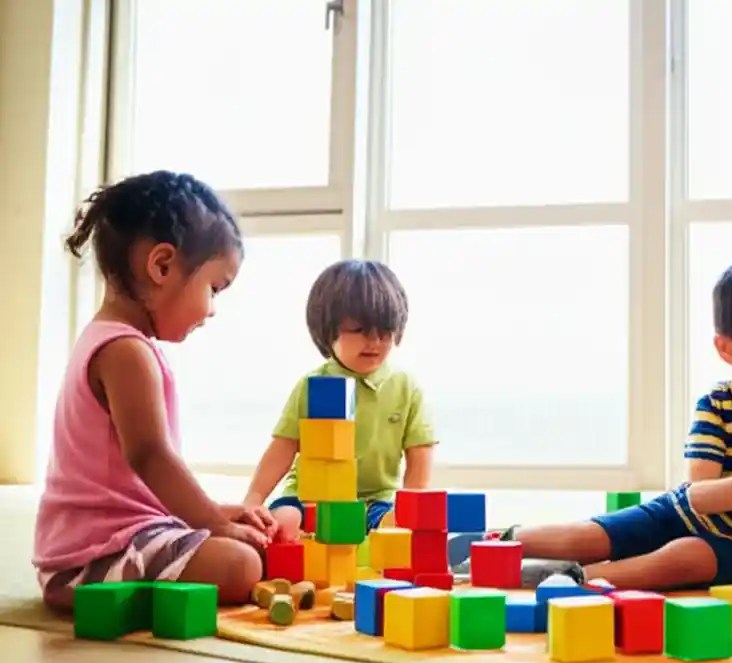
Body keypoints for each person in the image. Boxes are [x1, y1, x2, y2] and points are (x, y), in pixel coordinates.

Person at [453, 257, 732, 591]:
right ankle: (495, 540)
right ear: (727, 349)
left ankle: (574, 579)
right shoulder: (718, 405)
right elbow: (699, 494)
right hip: (681, 511)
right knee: (592, 536)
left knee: (686, 559)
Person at [33, 171, 273, 610]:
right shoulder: (125, 351)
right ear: (162, 266)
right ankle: (114, 599)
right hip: (94, 556)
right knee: (241, 564)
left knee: (248, 548)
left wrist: (213, 511)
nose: (212, 310)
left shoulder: (114, 340)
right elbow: (151, 456)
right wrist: (215, 526)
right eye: (214, 288)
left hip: (116, 537)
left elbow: (139, 487)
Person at [243, 260, 436, 542]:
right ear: (327, 330)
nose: (374, 342)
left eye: (385, 332)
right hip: (308, 498)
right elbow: (283, 447)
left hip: (375, 501)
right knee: (284, 523)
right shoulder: (312, 384)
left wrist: (412, 513)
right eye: (359, 330)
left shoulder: (406, 386)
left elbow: (420, 455)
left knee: (392, 528)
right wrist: (254, 498)